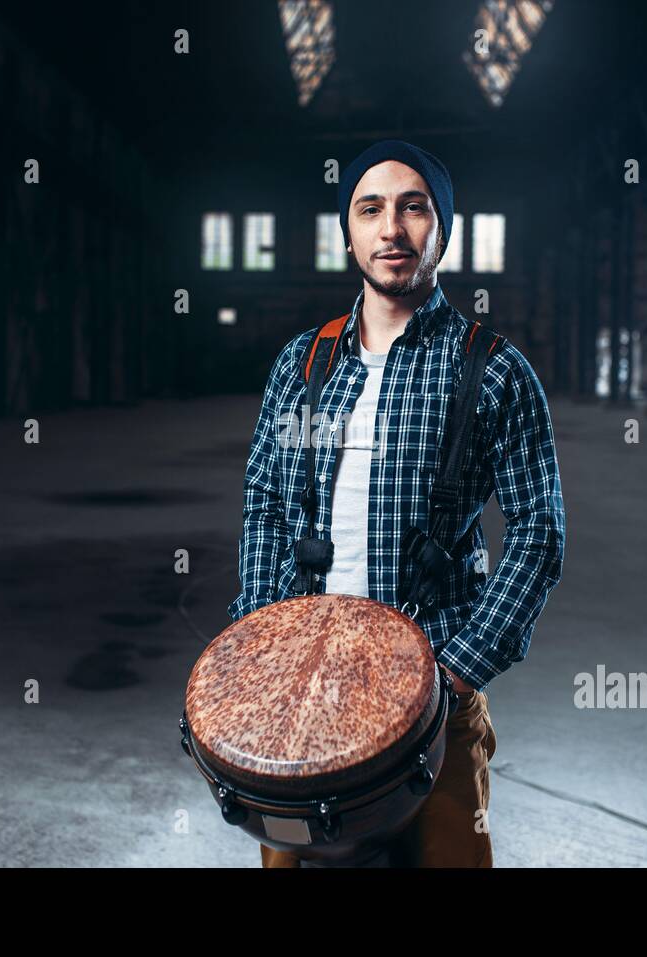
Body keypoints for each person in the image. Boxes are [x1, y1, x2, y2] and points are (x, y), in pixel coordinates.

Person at [227, 140, 565, 867]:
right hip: (306, 692)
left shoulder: (493, 369)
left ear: (442, 228)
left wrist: (460, 667)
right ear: (347, 230)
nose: (391, 229)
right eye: (369, 208)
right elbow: (264, 502)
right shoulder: (302, 363)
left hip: (433, 698)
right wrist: (259, 641)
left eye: (414, 207)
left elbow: (539, 530)